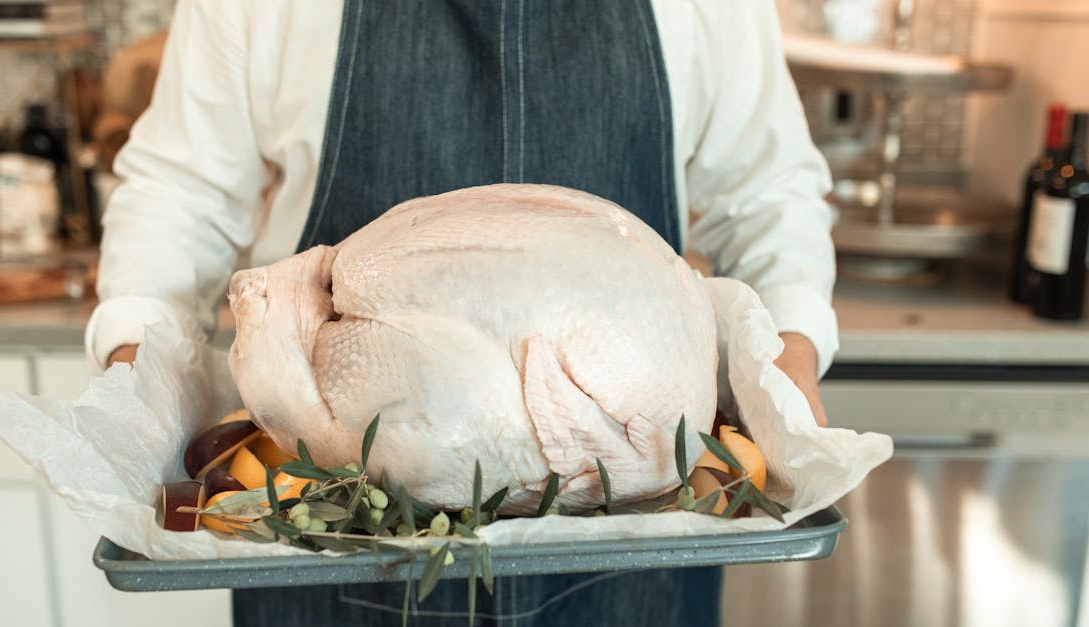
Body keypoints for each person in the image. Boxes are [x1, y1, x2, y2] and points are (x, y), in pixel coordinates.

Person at [87, 1, 837, 625]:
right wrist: (135, 375)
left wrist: (791, 371)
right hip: (332, 542)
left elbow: (768, 194)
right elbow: (180, 192)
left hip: (639, 543)